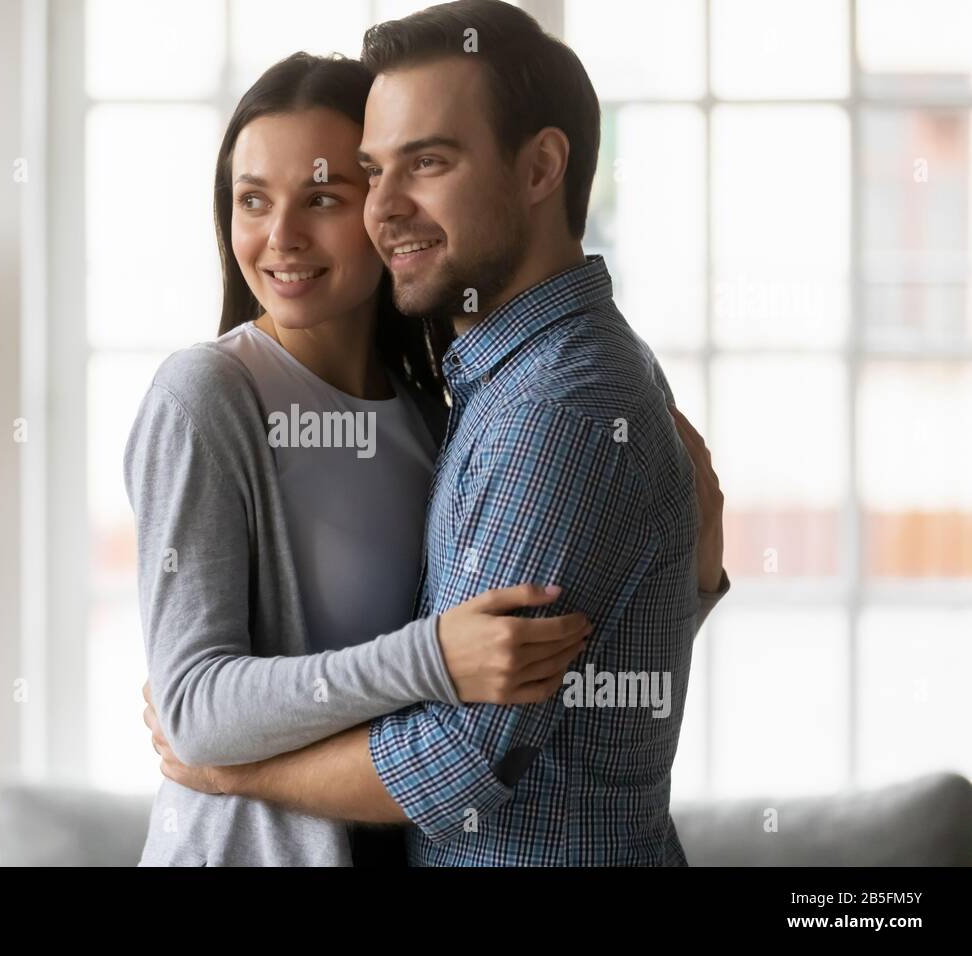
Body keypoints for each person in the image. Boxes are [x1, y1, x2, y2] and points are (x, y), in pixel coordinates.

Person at [129, 29, 727, 866]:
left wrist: (678, 580)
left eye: (332, 192)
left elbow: (503, 711)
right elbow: (193, 708)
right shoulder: (207, 396)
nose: (283, 237)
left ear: (539, 169)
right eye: (252, 199)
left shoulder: (453, 410)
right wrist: (432, 657)